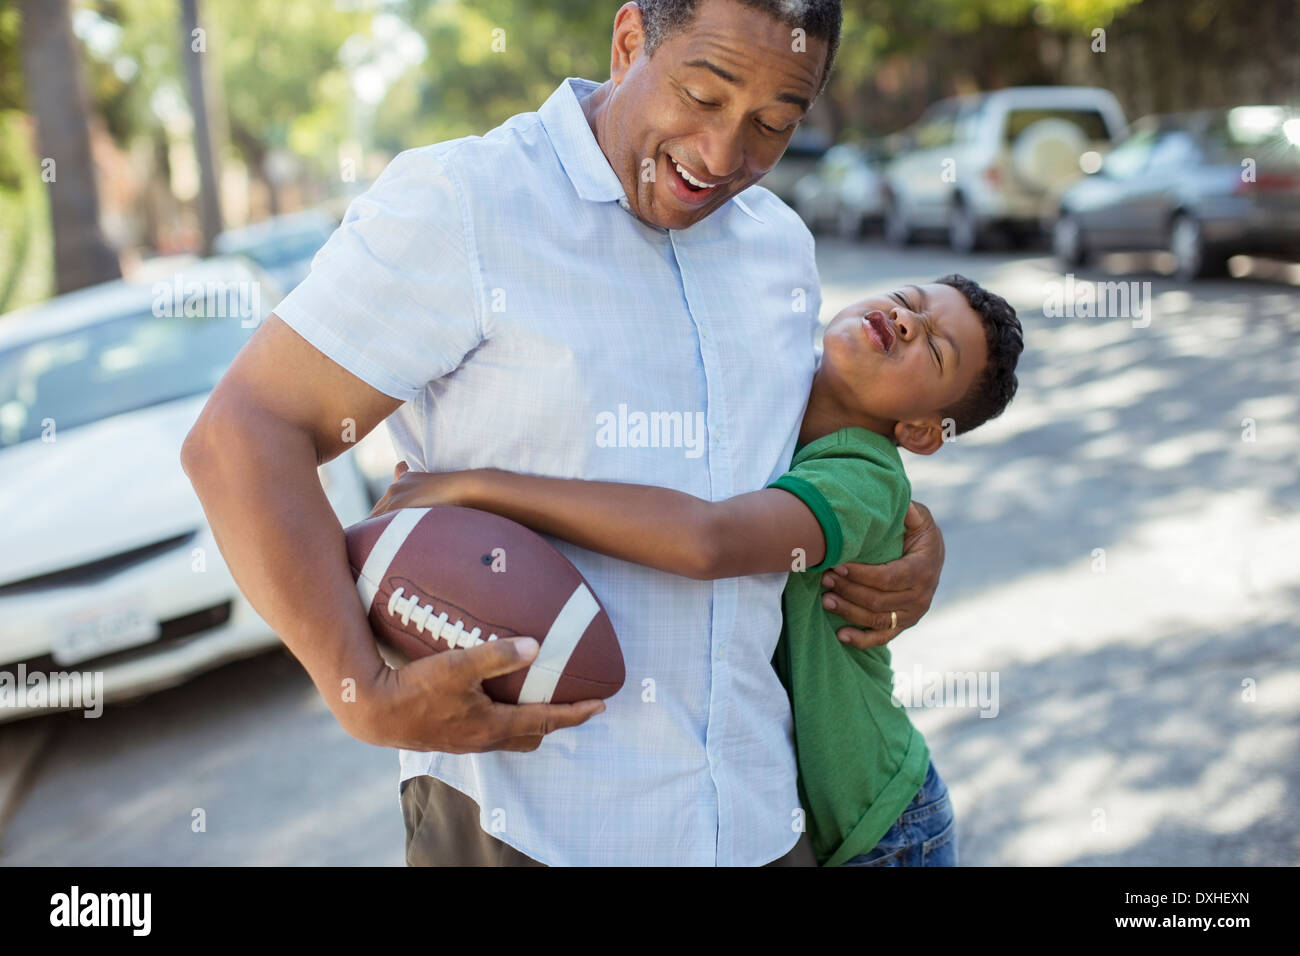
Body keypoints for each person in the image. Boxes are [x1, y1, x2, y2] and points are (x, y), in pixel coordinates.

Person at [182, 0, 947, 866]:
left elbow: (802, 462)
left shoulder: (780, 248)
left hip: (762, 816)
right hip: (534, 827)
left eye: (774, 123)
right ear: (629, 44)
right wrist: (360, 690)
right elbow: (244, 433)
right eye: (701, 94)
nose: (724, 154)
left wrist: (908, 543)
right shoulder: (465, 204)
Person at [372, 275, 1024, 866]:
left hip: (881, 825)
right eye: (909, 301)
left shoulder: (865, 477)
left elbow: (707, 543)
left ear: (918, 432)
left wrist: (472, 487)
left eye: (936, 349)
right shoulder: (773, 380)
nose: (908, 322)